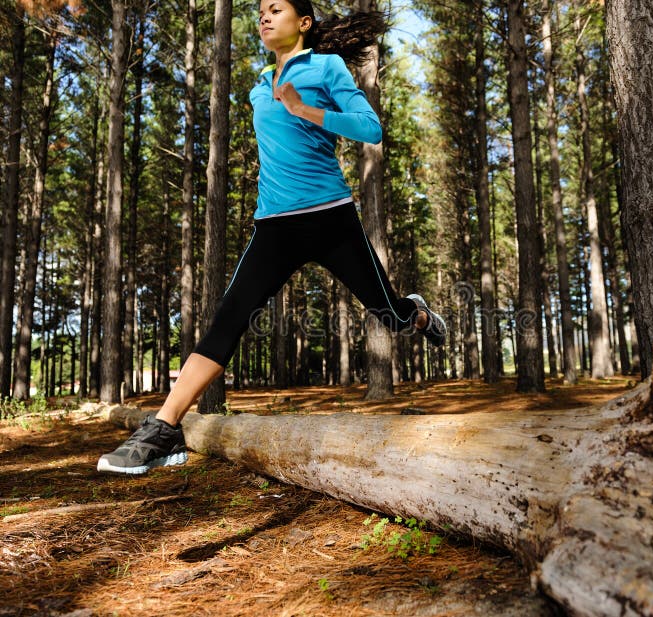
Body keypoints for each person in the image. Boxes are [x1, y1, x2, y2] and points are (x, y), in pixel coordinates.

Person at [97, 0, 446, 475]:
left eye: (275, 9)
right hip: (275, 225)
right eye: (260, 10)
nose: (263, 16)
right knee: (229, 317)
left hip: (331, 219)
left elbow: (370, 128)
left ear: (303, 22)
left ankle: (419, 315)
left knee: (390, 313)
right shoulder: (260, 86)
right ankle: (164, 427)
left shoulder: (326, 66)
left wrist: (305, 109)